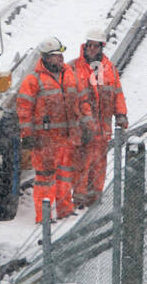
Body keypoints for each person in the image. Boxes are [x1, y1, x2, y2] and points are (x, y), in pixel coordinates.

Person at [16, 37, 93, 224]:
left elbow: (82, 102)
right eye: (56, 56)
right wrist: (27, 135)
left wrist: (87, 124)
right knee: (44, 179)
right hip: (44, 141)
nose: (60, 59)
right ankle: (43, 217)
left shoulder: (70, 75)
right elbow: (24, 110)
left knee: (65, 175)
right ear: (46, 58)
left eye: (61, 56)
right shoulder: (32, 81)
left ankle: (65, 210)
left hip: (67, 138)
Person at [69, 26, 127, 207]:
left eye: (96, 46)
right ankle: (79, 197)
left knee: (99, 162)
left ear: (101, 47)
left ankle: (95, 196)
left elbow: (117, 92)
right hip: (82, 126)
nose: (92, 49)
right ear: (85, 46)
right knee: (82, 162)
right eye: (90, 46)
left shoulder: (108, 68)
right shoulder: (73, 68)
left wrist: (121, 114)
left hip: (102, 126)